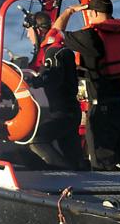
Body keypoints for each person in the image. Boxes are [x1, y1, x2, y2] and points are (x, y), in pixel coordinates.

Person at [54, 0, 120, 170]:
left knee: (102, 162)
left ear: (94, 13)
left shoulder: (90, 36)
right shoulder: (119, 32)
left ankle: (108, 186)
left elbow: (55, 34)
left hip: (101, 109)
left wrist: (69, 11)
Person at [23, 12, 85, 170]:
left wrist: (32, 81)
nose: (28, 36)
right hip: (70, 111)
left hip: (63, 113)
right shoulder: (61, 50)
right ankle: (79, 173)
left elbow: (53, 78)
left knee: (37, 140)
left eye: (29, 31)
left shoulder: (53, 52)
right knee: (73, 154)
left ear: (38, 30)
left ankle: (64, 174)